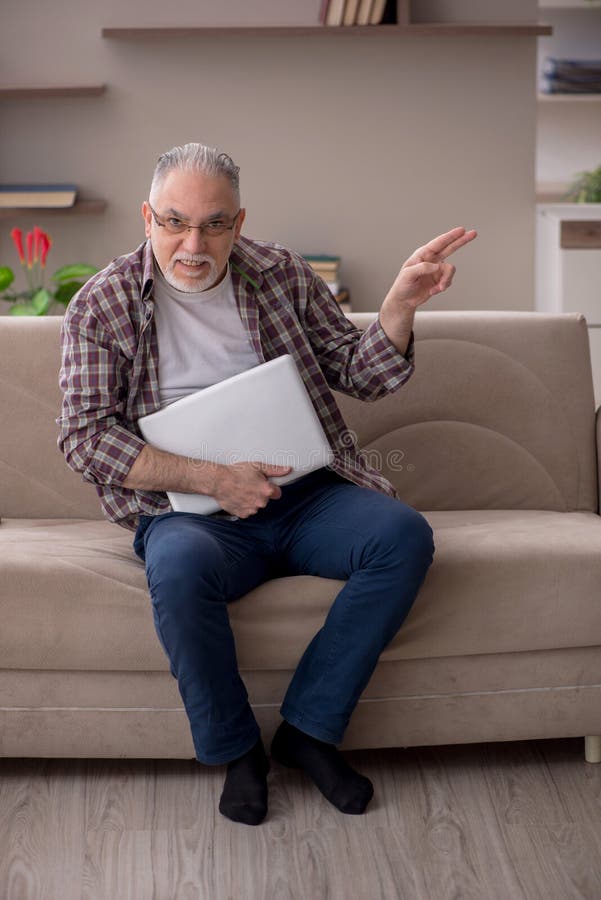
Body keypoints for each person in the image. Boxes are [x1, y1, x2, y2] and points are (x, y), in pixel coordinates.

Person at [57, 142, 477, 826]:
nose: (192, 244)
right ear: (146, 218)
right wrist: (212, 480)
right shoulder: (102, 304)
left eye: (214, 224)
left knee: (399, 535)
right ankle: (238, 753)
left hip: (307, 495)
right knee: (179, 567)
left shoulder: (278, 273)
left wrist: (399, 305)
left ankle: (308, 732)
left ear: (239, 222)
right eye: (173, 222)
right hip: (191, 515)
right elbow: (82, 436)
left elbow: (359, 371)